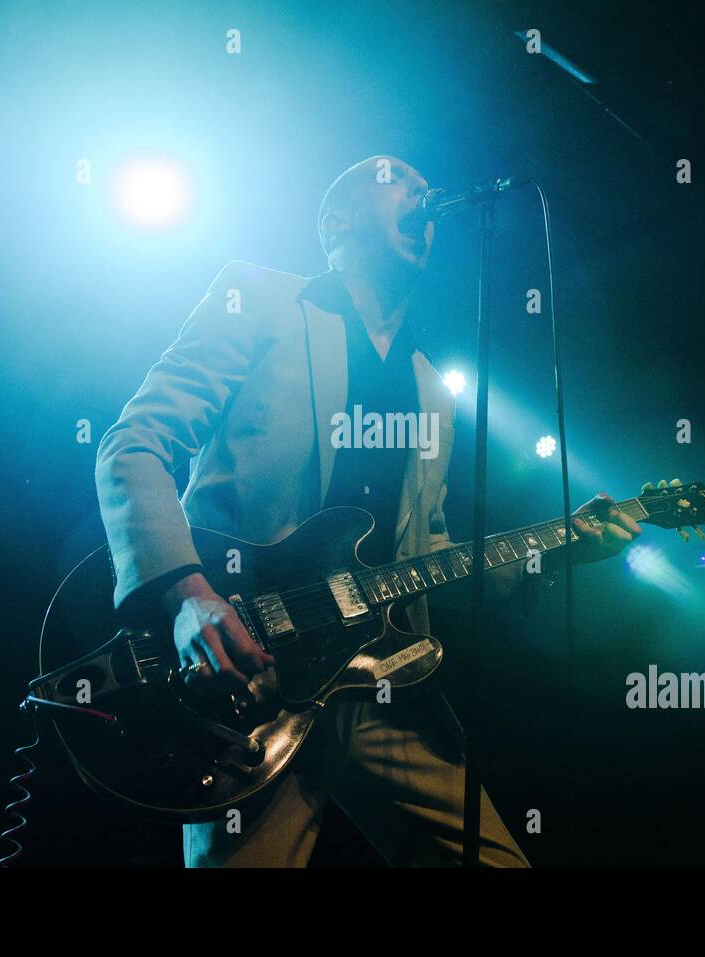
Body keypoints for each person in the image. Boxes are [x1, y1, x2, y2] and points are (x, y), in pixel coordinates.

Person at [95, 155, 642, 866]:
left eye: (423, 178)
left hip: (380, 679)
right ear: (336, 220)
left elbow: (427, 552)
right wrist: (186, 594)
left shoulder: (431, 387)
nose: (422, 189)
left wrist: (557, 548)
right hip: (252, 671)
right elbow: (134, 442)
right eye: (395, 177)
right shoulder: (258, 297)